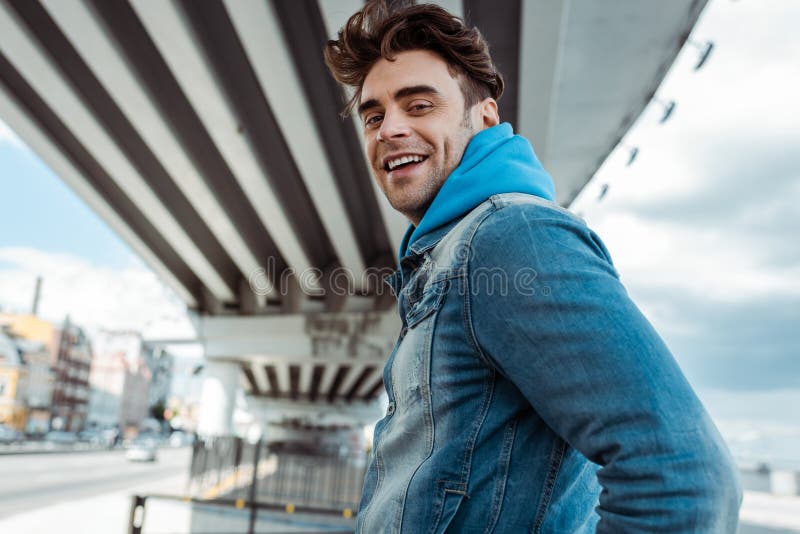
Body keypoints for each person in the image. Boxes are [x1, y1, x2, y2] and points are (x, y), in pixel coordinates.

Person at [324, 2, 742, 532]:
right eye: (374, 116)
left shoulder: (509, 238)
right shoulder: (452, 255)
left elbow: (685, 479)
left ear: (485, 116)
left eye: (420, 104)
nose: (389, 130)